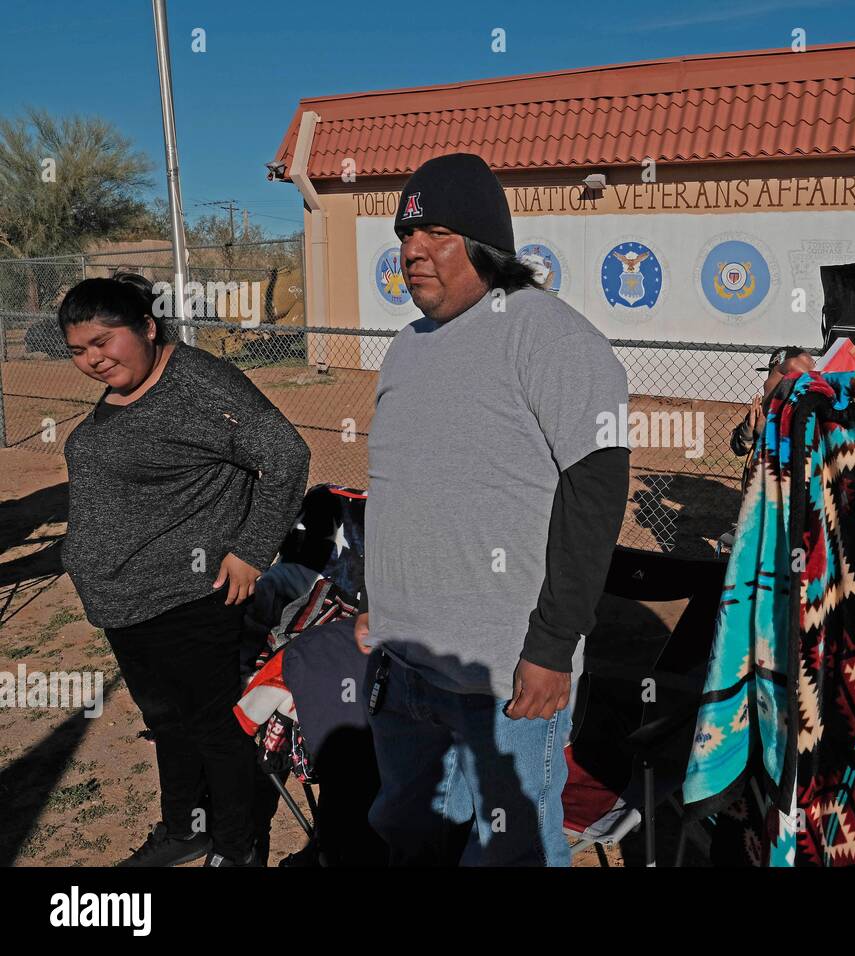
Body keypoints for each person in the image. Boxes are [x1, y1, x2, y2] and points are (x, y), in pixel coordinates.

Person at [355, 153, 630, 866]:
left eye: (435, 233)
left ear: (485, 245)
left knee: (508, 852)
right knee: (408, 829)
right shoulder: (407, 347)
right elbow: (402, 486)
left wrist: (550, 645)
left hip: (505, 675)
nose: (411, 250)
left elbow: (594, 495)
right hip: (404, 664)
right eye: (404, 235)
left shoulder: (550, 335)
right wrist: (374, 598)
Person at [58, 272, 310, 867]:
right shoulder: (129, 382)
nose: (92, 359)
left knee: (215, 732)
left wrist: (251, 550)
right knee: (169, 725)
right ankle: (184, 829)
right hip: (125, 602)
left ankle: (236, 846)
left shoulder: (197, 383)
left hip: (186, 596)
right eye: (77, 351)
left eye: (103, 341)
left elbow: (284, 454)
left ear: (147, 326)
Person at [729, 346, 814, 460]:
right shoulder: (761, 410)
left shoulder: (806, 410)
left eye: (778, 377)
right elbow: (738, 448)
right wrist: (749, 429)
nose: (768, 381)